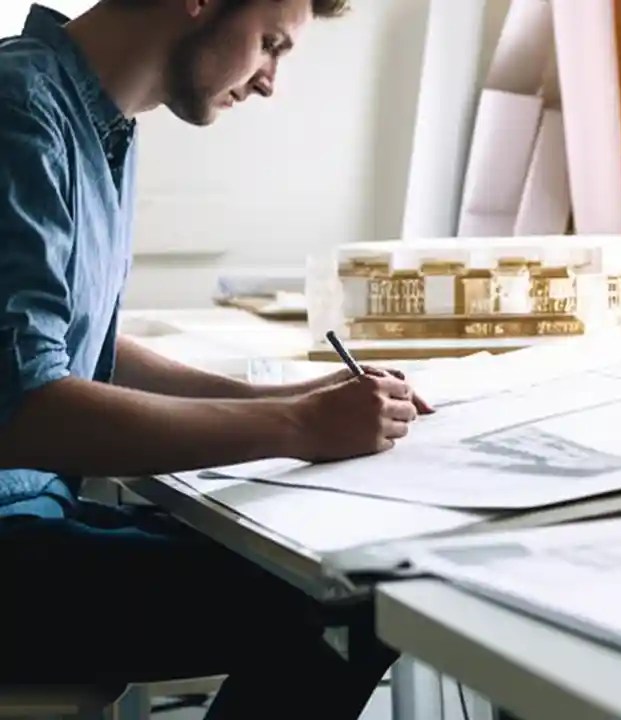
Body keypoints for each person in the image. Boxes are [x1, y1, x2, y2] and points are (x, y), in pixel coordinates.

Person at [0, 1, 429, 716]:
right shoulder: (20, 112)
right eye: (270, 44)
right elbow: (28, 409)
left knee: (331, 566)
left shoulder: (92, 119)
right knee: (358, 600)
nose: (269, 81)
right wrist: (296, 427)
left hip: (34, 518)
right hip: (13, 552)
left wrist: (284, 400)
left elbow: (83, 346)